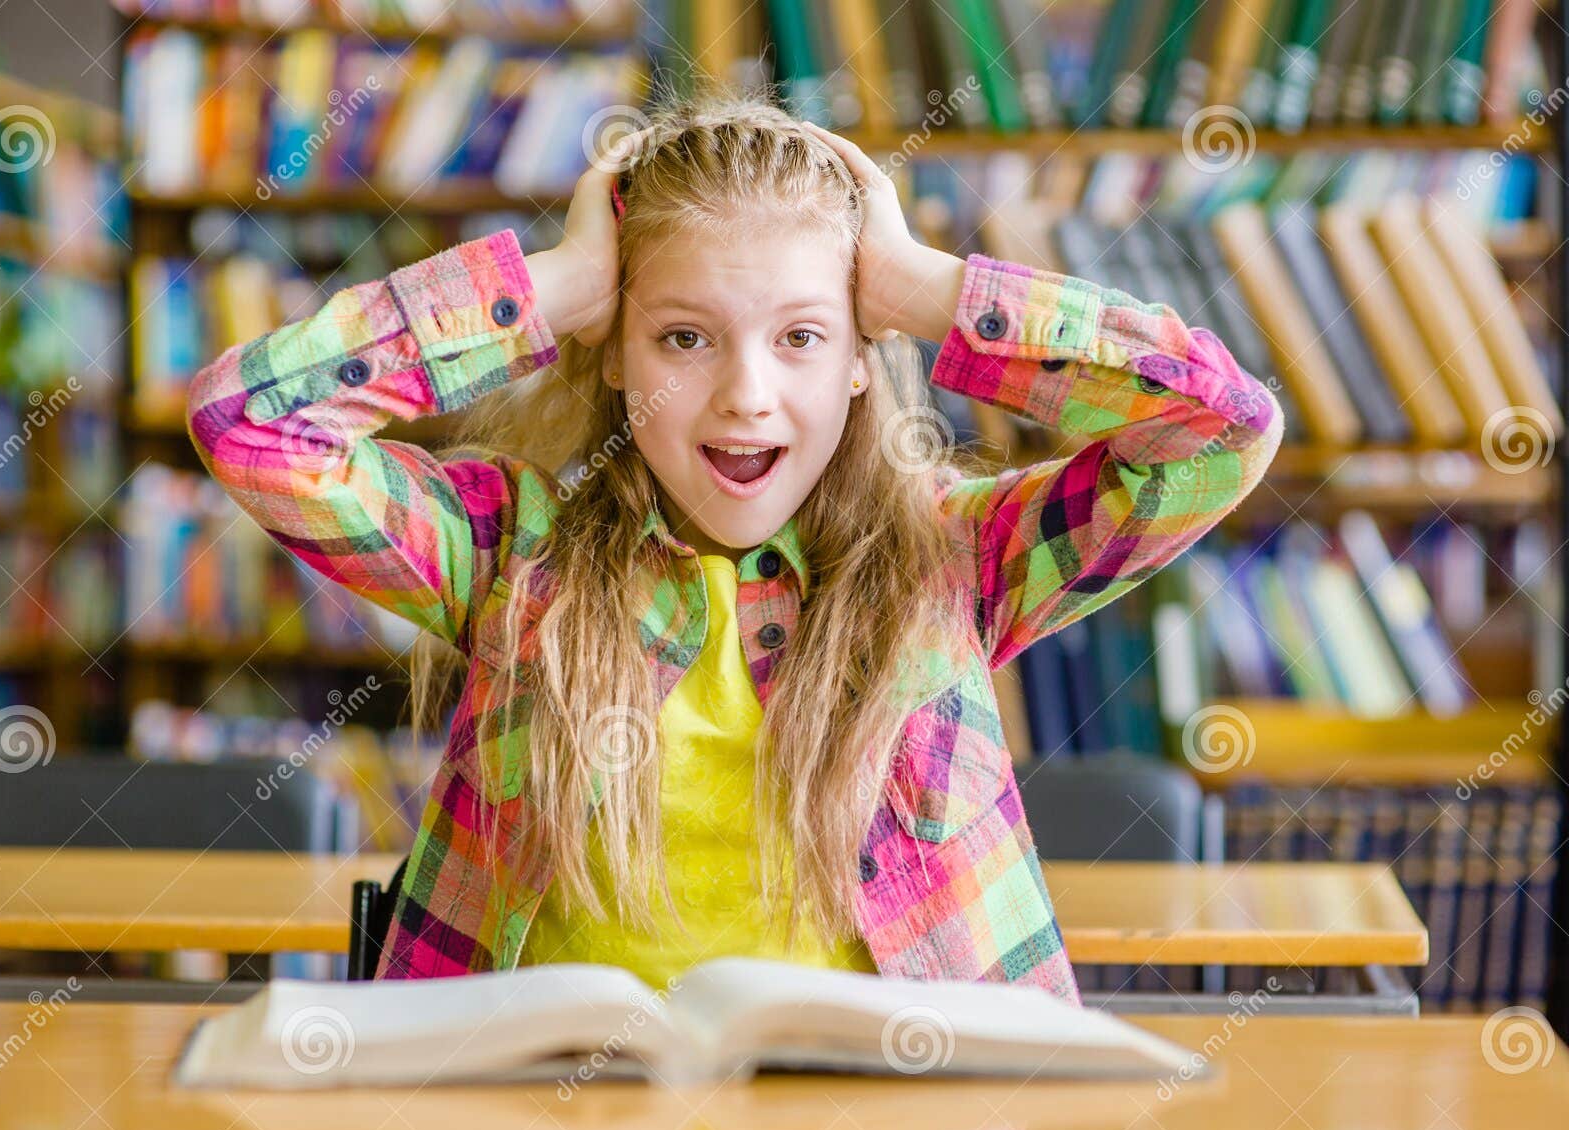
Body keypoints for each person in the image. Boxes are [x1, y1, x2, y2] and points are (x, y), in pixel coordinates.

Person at [189, 95, 1282, 997]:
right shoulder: (508, 553)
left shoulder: (959, 560)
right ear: (612, 352)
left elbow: (1219, 432)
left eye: (802, 337)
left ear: (862, 357)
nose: (746, 396)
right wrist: (552, 288)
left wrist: (932, 294)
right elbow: (249, 425)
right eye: (682, 337)